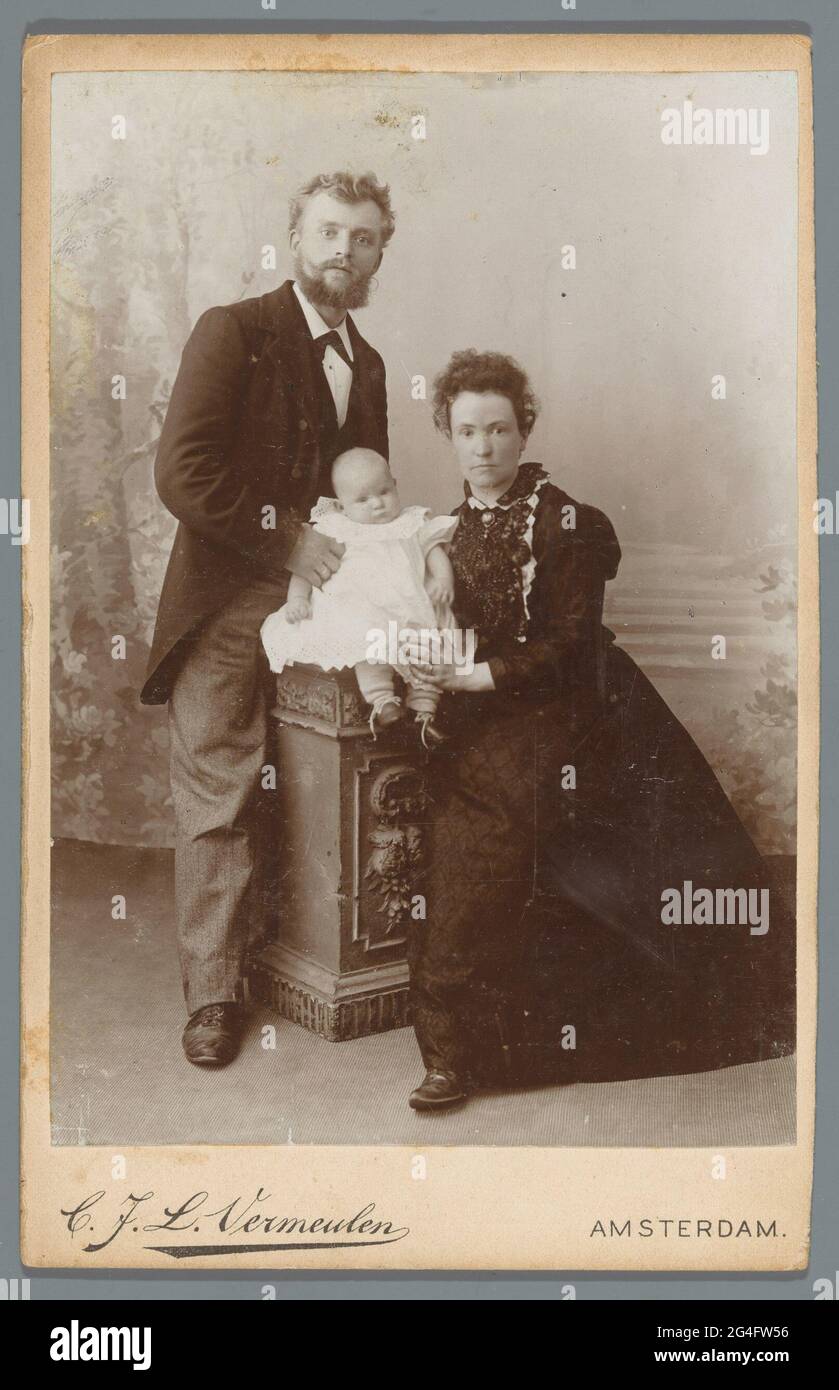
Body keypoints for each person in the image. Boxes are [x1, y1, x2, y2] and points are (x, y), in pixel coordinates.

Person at [404, 349, 794, 1111]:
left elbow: (571, 643)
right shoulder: (444, 527)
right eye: (465, 431)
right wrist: (431, 662)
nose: (482, 447)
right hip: (483, 707)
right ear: (447, 435)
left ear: (524, 431)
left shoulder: (568, 523)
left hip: (577, 711)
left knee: (519, 829)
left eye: (498, 429)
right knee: (461, 841)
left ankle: (488, 1047)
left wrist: (475, 678)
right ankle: (453, 1045)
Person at [140, 171, 393, 1067]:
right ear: (295, 236)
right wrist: (285, 543)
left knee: (329, 769)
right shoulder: (234, 329)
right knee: (221, 783)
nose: (342, 250)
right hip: (227, 594)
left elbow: (365, 493)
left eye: (362, 238)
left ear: (377, 253)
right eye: (328, 231)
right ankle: (214, 995)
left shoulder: (367, 362)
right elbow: (183, 473)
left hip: (322, 595)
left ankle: (314, 961)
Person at [260, 447, 458, 746]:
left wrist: (443, 579)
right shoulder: (339, 528)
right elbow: (305, 570)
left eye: (384, 492)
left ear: (395, 484)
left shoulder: (412, 522)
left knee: (432, 648)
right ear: (342, 506)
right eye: (363, 500)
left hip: (414, 609)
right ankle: (382, 702)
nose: (378, 504)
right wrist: (297, 599)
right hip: (365, 610)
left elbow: (434, 551)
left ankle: (423, 713)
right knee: (367, 642)